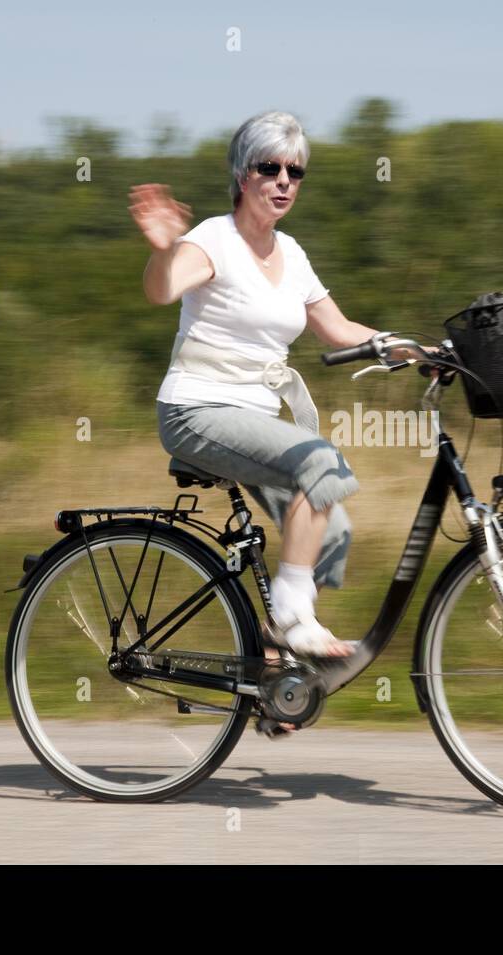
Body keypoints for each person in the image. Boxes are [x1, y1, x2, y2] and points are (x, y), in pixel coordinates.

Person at [129, 110, 432, 658]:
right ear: (245, 176)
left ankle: (277, 668)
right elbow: (162, 290)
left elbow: (338, 329)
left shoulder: (291, 254)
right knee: (322, 463)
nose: (285, 181)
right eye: (271, 168)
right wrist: (161, 248)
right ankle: (292, 618)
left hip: (254, 419)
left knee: (333, 531)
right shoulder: (213, 240)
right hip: (196, 411)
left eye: (296, 172)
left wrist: (419, 349)